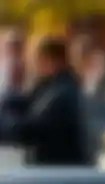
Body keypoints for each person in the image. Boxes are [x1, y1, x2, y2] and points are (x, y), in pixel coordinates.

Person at [0, 37, 91, 166]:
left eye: (36, 60)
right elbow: (24, 102)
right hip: (53, 167)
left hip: (61, 169)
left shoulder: (63, 93)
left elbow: (31, 130)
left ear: (51, 60)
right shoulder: (49, 86)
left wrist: (5, 124)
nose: (33, 65)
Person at [71, 34, 105, 165]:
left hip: (91, 130)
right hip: (81, 130)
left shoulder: (95, 76)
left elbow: (93, 100)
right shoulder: (75, 77)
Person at [0, 28, 24, 105]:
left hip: (10, 97)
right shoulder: (5, 62)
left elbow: (14, 86)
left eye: (14, 46)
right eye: (9, 46)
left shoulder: (17, 63)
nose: (11, 49)